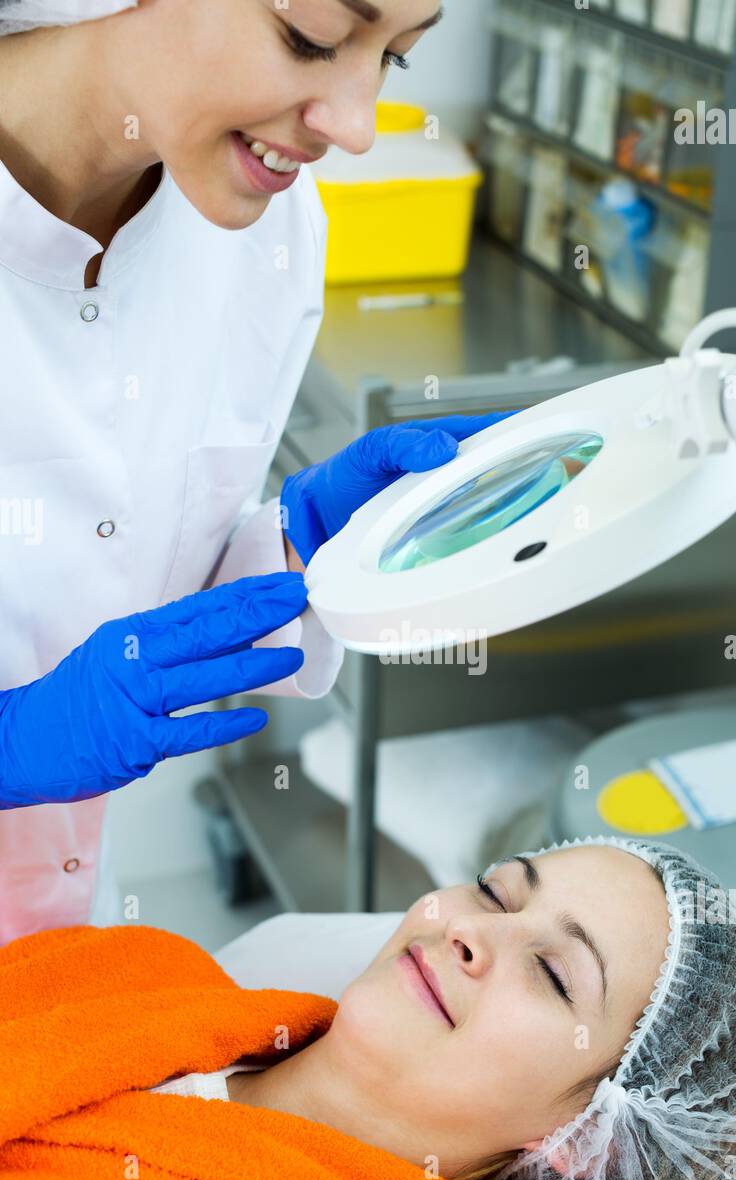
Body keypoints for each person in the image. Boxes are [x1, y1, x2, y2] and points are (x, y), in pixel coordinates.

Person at [0, 0, 504, 936]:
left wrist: (298, 547)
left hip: (54, 953)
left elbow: (115, 562)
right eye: (311, 36)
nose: (355, 127)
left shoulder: (265, 235)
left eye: (394, 57)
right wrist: (10, 745)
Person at [0, 834, 736, 1180]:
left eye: (554, 975)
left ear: (581, 1144)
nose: (473, 934)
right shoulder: (132, 964)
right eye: (496, 892)